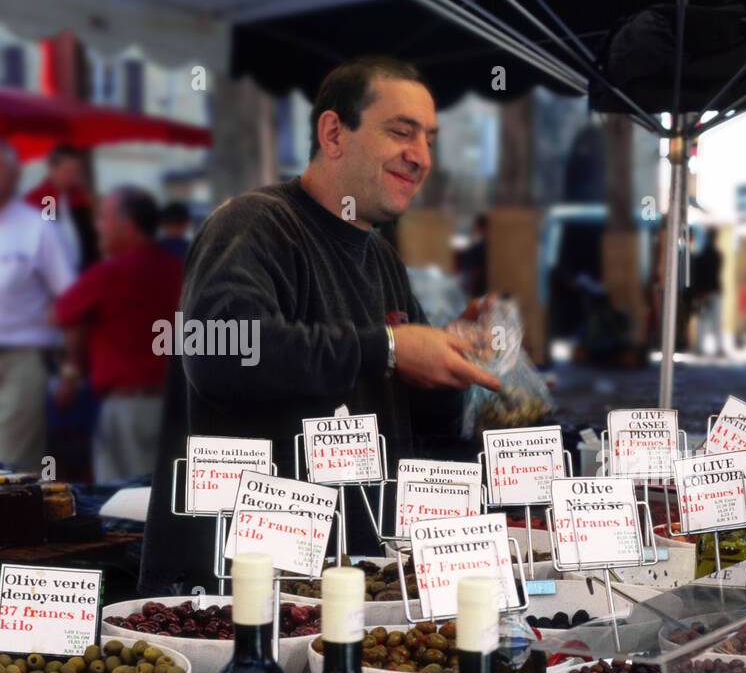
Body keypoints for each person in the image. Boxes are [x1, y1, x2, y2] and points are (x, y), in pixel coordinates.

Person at [140, 56, 500, 593]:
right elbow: (222, 350)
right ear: (333, 133)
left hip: (355, 573)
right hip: (247, 581)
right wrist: (391, 348)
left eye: (429, 138)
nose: (421, 156)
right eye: (401, 132)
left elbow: (415, 410)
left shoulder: (381, 260)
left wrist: (452, 362)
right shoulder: (254, 223)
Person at [52, 187, 182, 483]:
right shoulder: (179, 269)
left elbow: (57, 314)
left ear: (128, 226)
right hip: (177, 404)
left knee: (119, 503)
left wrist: (70, 370)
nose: (98, 226)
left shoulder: (108, 274)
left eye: (104, 218)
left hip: (127, 409)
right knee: (168, 498)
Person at [0, 139, 77, 473]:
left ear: (15, 175)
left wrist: (71, 369)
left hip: (21, 356)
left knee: (14, 465)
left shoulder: (38, 227)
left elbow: (71, 299)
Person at [24, 144, 98, 269]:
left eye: (76, 171)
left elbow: (89, 237)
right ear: (52, 168)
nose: (73, 176)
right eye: (68, 171)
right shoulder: (42, 199)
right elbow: (44, 236)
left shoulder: (78, 197)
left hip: (82, 269)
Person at [688, 227, 723, 356]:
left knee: (703, 320)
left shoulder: (701, 255)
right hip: (713, 290)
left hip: (704, 291)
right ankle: (716, 348)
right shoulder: (716, 255)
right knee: (715, 320)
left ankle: (699, 347)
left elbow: (697, 274)